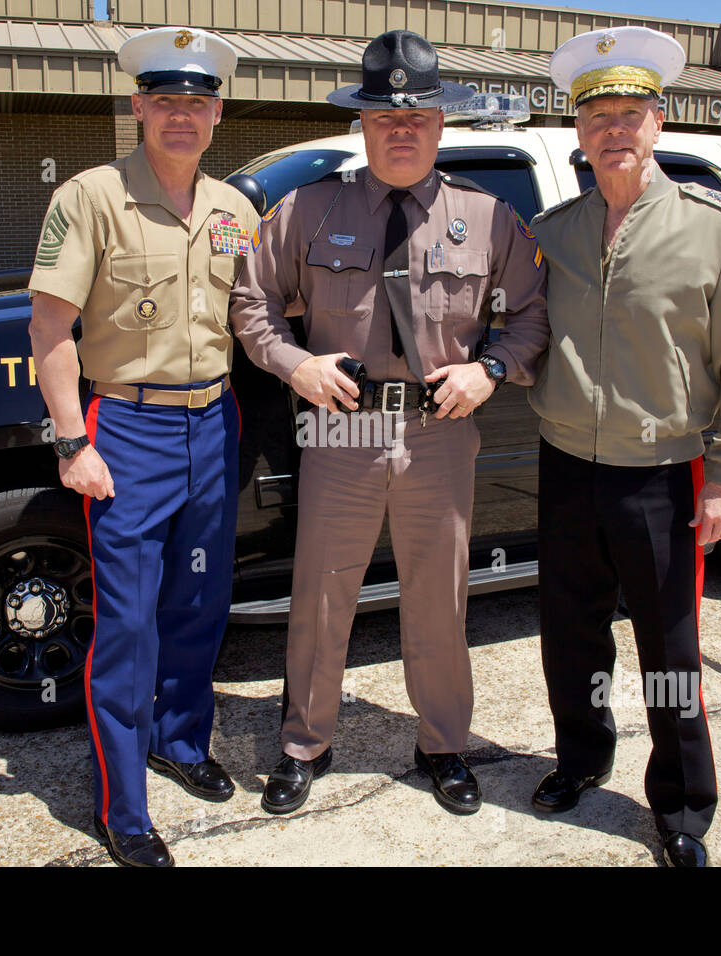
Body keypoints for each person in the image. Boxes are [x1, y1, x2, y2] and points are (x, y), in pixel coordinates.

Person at [231, 29, 549, 817]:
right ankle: (305, 743)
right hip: (341, 432)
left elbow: (533, 318)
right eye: (384, 118)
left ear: (440, 124)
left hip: (439, 435)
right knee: (322, 595)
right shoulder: (308, 209)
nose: (400, 130)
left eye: (417, 117)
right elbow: (251, 301)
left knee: (439, 598)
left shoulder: (487, 219)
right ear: (362, 125)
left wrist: (491, 370)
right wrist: (292, 363)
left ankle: (444, 745)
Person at [528, 26, 721, 866]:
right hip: (566, 467)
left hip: (665, 477)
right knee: (570, 634)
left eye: (630, 112)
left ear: (658, 121)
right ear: (578, 131)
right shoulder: (554, 232)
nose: (614, 129)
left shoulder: (715, 228)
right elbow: (517, 327)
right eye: (597, 113)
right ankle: (579, 761)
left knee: (668, 652)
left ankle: (680, 804)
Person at [27, 26, 260, 868]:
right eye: (165, 100)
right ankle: (123, 807)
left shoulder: (236, 210)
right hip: (127, 429)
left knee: (199, 606)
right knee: (127, 628)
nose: (181, 115)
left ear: (217, 113)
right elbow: (50, 326)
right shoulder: (90, 197)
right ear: (137, 106)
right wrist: (69, 440)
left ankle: (182, 742)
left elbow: (256, 319)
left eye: (196, 102)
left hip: (214, 423)